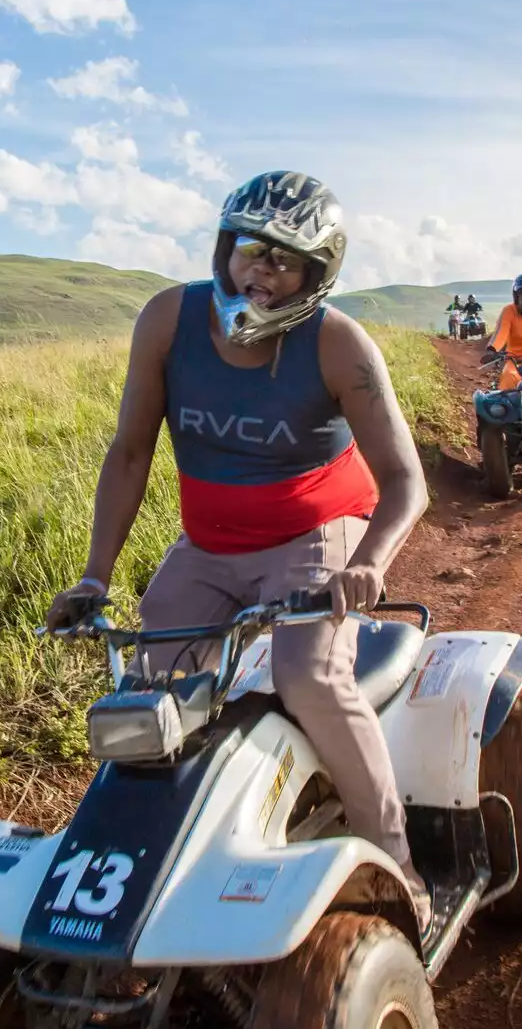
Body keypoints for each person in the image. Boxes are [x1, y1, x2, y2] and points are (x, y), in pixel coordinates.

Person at [45, 169, 433, 933]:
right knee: (151, 681)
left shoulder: (337, 345)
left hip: (316, 533)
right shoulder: (168, 320)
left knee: (309, 673)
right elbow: (129, 454)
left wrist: (369, 563)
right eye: (251, 249)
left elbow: (406, 481)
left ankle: (395, 861)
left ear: (314, 275)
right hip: (212, 541)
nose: (261, 271)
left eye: (285, 259)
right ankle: (165, 863)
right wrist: (95, 574)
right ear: (226, 246)